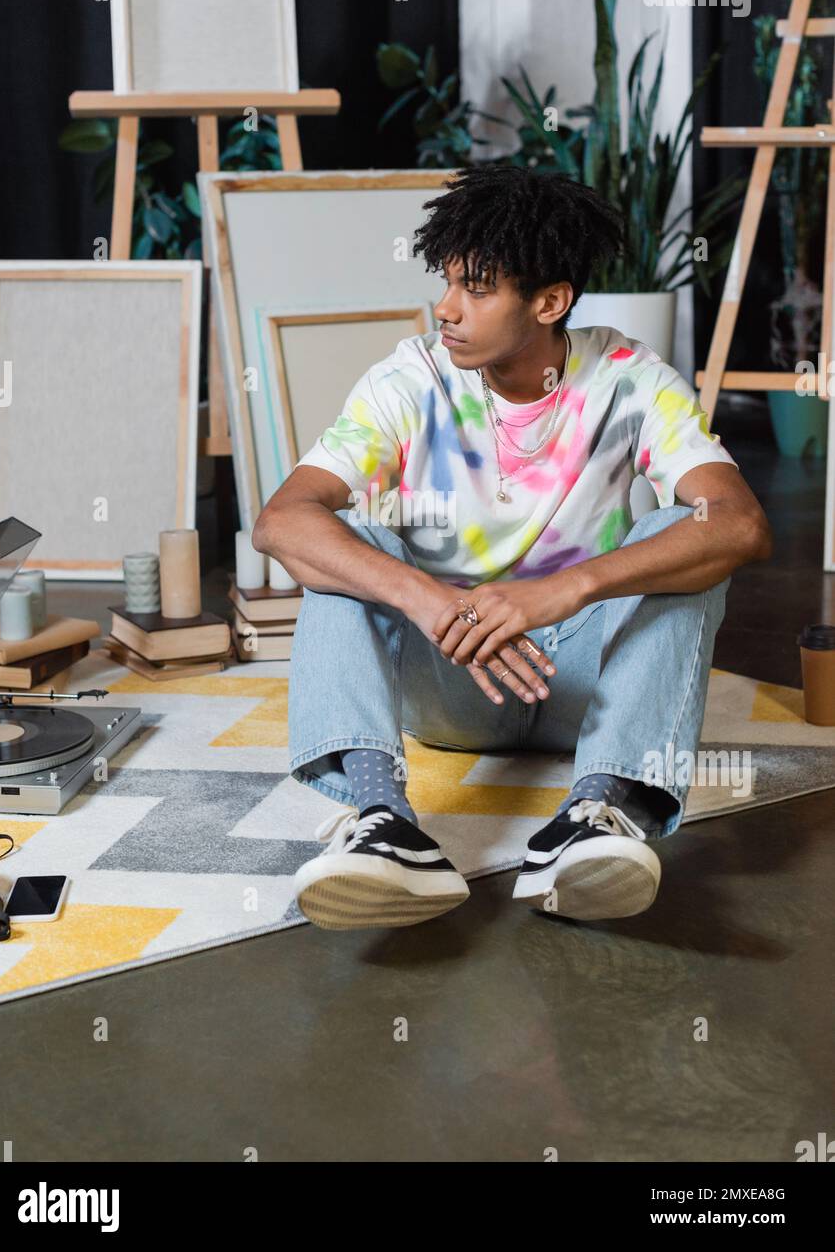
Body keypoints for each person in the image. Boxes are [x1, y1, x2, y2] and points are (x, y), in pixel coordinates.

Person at [252, 166, 772, 931]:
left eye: (477, 289)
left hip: (586, 681)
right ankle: (380, 822)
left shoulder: (626, 377)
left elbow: (740, 523)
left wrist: (562, 591)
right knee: (341, 544)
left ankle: (596, 813)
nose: (447, 309)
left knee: (683, 535)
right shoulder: (410, 378)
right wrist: (432, 601)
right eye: (447, 283)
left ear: (549, 301)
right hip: (452, 678)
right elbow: (282, 520)